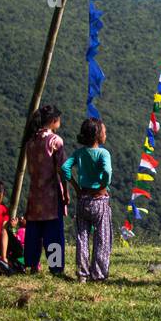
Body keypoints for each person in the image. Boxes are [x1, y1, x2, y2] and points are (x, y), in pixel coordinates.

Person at [62, 116, 113, 282]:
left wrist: (76, 187)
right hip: (100, 201)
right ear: (98, 135)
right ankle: (98, 275)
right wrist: (103, 186)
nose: (106, 134)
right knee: (102, 238)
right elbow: (106, 172)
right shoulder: (103, 153)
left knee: (82, 237)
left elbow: (64, 168)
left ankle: (82, 274)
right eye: (104, 131)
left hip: (83, 198)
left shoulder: (79, 153)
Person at [22, 104, 68, 276]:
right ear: (54, 121)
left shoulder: (31, 141)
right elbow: (63, 169)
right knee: (53, 233)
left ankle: (32, 265)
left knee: (34, 231)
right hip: (51, 194)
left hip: (35, 193)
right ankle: (55, 268)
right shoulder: (55, 141)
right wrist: (66, 192)